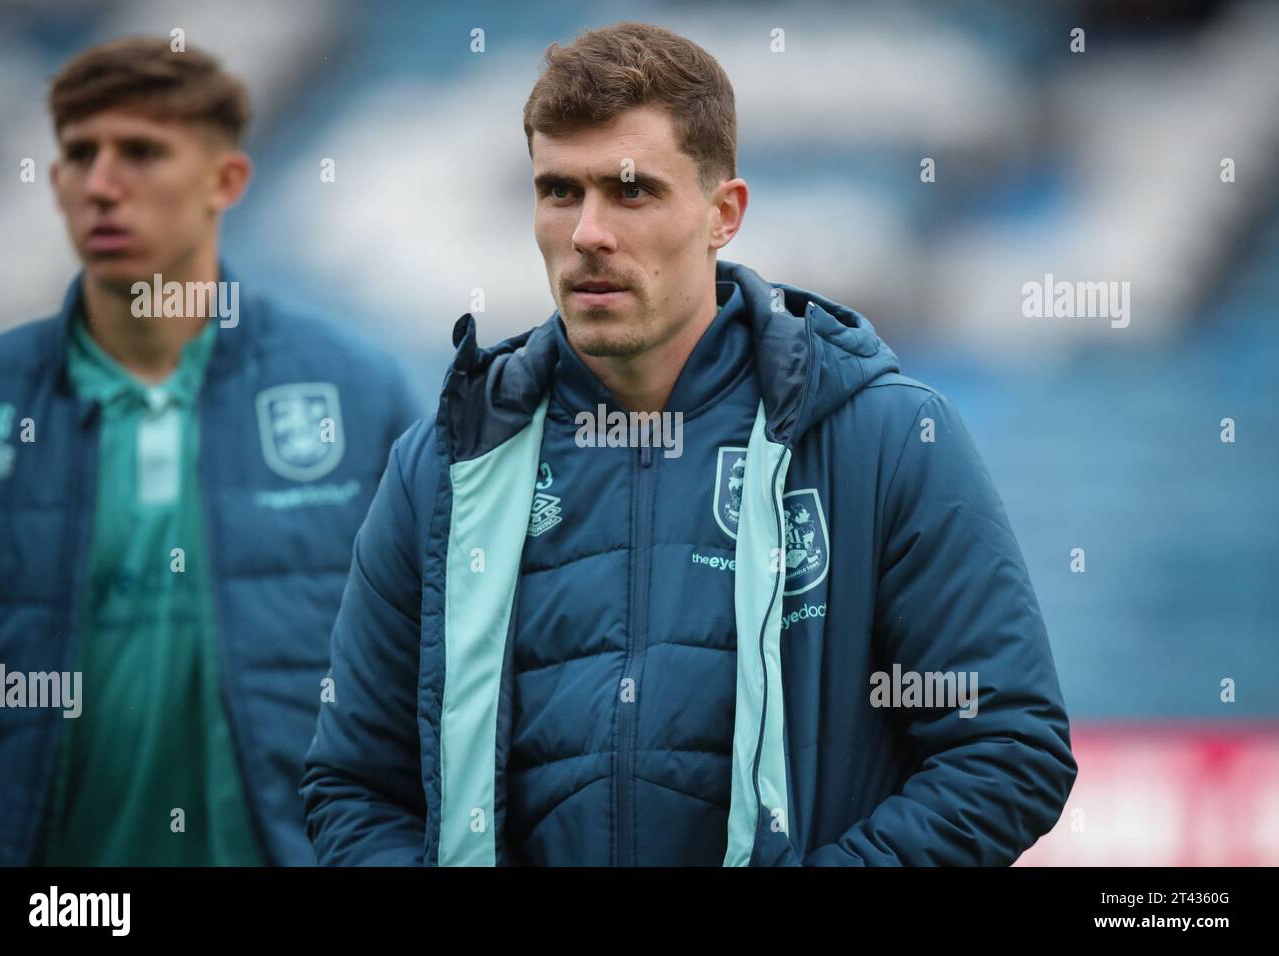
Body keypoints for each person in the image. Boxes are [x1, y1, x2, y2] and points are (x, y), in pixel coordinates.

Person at [300, 21, 1075, 866]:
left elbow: (1005, 749)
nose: (589, 232)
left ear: (723, 214)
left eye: (630, 191)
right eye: (560, 191)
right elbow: (356, 785)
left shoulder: (880, 438)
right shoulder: (447, 465)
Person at [0, 36, 419, 865]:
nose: (103, 185)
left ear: (227, 181)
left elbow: (446, 667)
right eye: (80, 154)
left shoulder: (357, 393)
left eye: (142, 153)